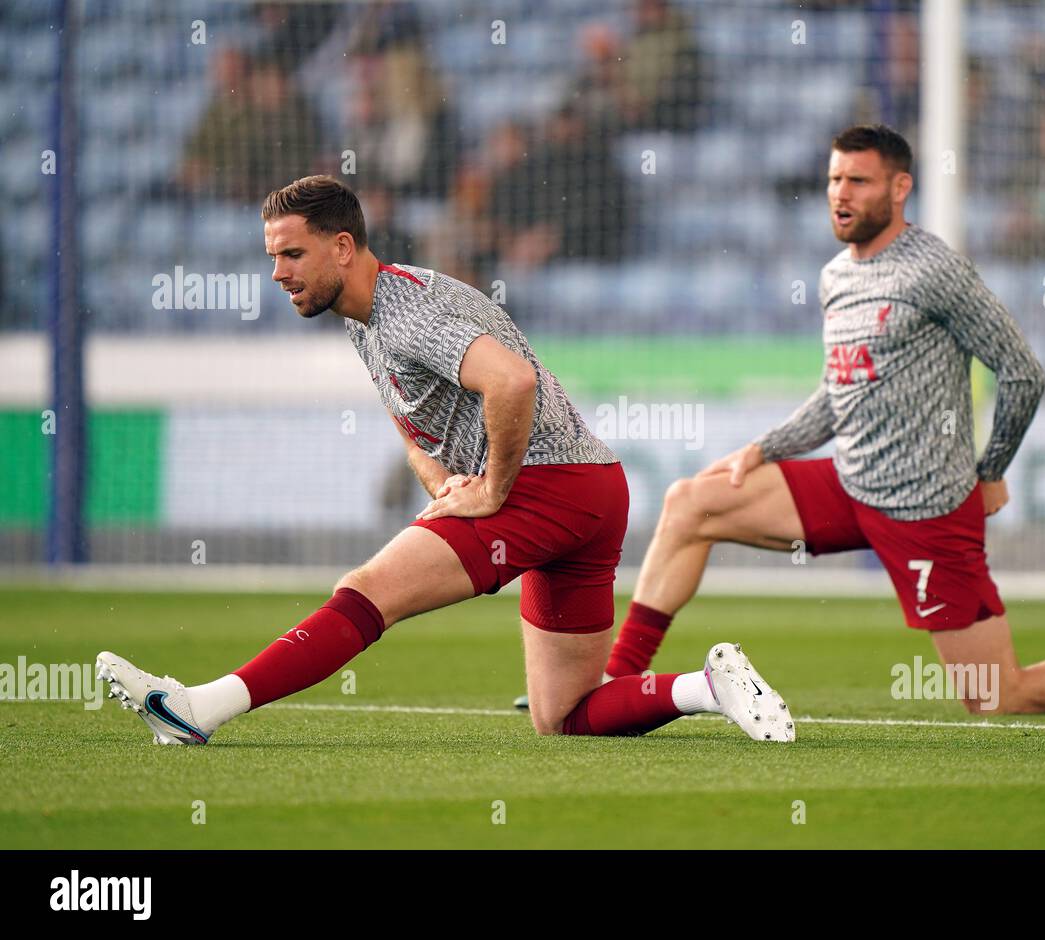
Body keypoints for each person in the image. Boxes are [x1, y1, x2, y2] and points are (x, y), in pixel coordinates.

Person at [555, 125, 1045, 717]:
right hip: (851, 483)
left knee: (998, 697)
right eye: (834, 179)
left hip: (926, 508)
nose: (840, 194)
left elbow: (1021, 371)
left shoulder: (933, 269)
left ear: (899, 189)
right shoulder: (837, 276)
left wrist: (992, 471)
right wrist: (764, 448)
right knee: (689, 504)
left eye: (858, 180)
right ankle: (613, 681)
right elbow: (839, 394)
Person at [96, 176, 794, 745]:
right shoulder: (365, 314)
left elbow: (510, 380)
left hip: (550, 486)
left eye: (291, 254)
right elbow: (412, 426)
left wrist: (491, 488)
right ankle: (708, 686)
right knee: (565, 713)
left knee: (367, 589)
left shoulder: (406, 313)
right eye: (272, 256)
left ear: (342, 246)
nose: (276, 273)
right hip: (593, 489)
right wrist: (440, 479)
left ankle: (197, 708)